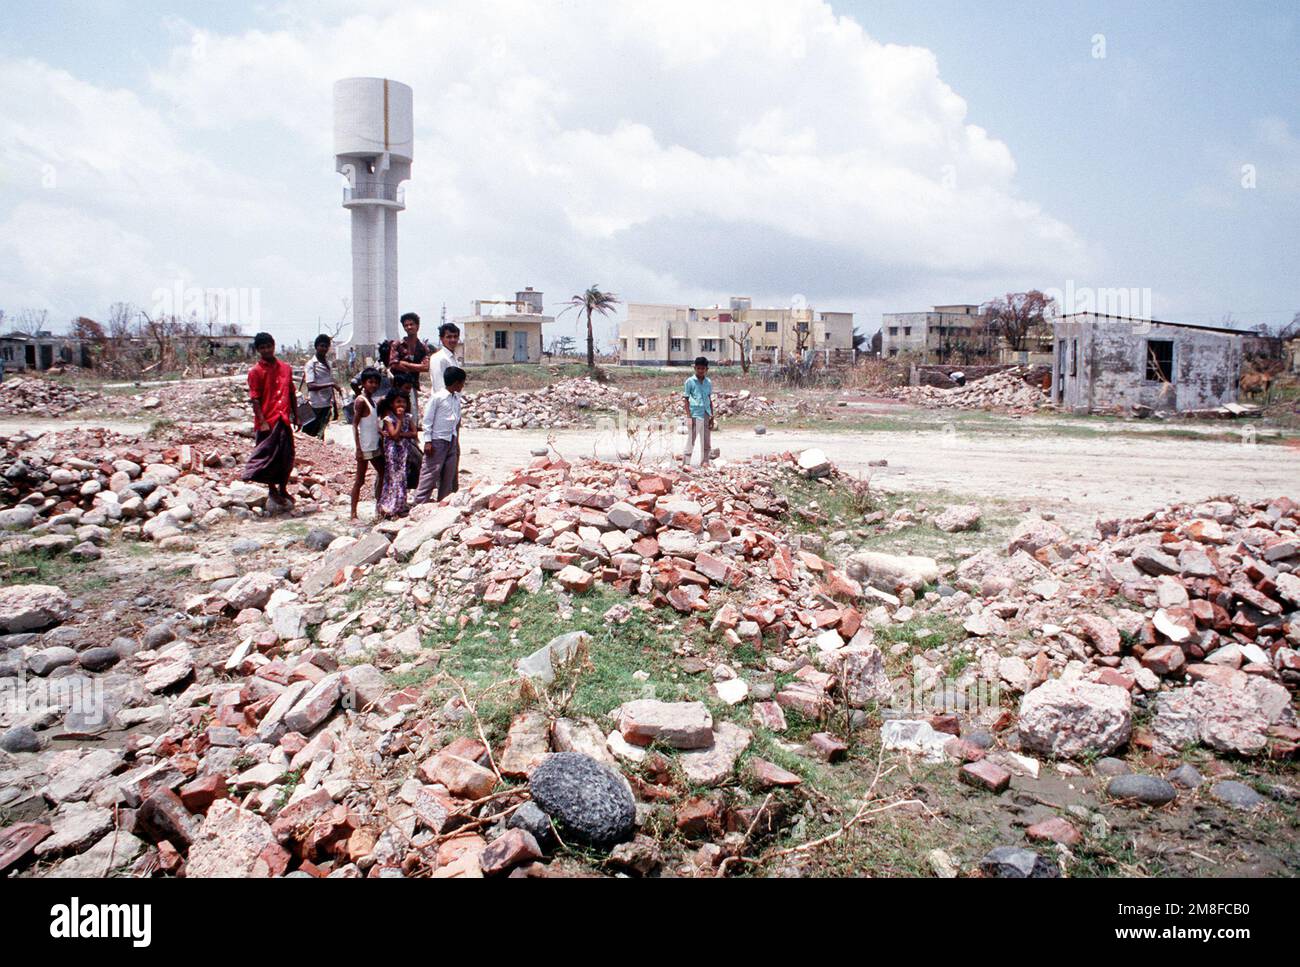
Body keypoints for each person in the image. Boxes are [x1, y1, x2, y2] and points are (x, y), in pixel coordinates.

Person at [242, 332, 299, 509]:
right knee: (268, 458)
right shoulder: (255, 372)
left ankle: (283, 488)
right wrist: (263, 421)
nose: (266, 350)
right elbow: (255, 399)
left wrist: (296, 415)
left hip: (283, 419)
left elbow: (291, 392)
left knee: (286, 456)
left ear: (273, 345)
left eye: (269, 346)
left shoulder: (285, 368)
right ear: (258, 350)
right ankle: (271, 488)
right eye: (262, 347)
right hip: (267, 421)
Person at [414, 365, 465, 504]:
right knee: (430, 473)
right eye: (462, 383)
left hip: (451, 440)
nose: (462, 386)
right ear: (456, 383)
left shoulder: (455, 399)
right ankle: (419, 502)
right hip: (438, 440)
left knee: (448, 474)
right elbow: (427, 420)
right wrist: (428, 441)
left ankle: (443, 502)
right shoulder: (438, 397)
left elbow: (456, 420)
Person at [349, 368, 385, 520]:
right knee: (360, 480)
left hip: (374, 445)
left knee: (384, 473)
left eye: (376, 383)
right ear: (363, 383)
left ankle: (379, 505)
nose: (373, 385)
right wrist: (358, 448)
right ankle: (353, 512)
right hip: (364, 447)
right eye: (370, 382)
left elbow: (372, 423)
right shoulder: (361, 401)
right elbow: (355, 425)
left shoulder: (373, 402)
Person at [377, 389, 417, 518]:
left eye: (404, 402)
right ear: (391, 404)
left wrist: (402, 434)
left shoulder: (408, 417)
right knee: (393, 477)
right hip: (393, 451)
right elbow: (393, 435)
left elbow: (414, 433)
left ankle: (400, 505)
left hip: (403, 450)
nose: (402, 405)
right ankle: (390, 506)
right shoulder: (389, 419)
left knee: (402, 476)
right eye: (398, 402)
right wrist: (399, 420)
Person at [682, 355, 715, 468]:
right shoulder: (690, 382)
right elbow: (686, 399)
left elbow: (709, 399)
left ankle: (705, 461)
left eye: (703, 369)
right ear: (695, 368)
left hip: (706, 413)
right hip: (695, 414)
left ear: (707, 369)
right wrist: (689, 416)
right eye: (698, 368)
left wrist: (712, 415)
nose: (701, 371)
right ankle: (686, 462)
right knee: (692, 439)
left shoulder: (708, 382)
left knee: (706, 439)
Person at [303, 334, 338, 437]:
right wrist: (331, 384)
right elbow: (310, 386)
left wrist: (335, 406)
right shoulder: (311, 364)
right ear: (316, 346)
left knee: (321, 433)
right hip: (315, 405)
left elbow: (330, 384)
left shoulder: (328, 363)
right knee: (309, 433)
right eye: (321, 346)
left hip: (327, 404)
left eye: (326, 346)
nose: (324, 348)